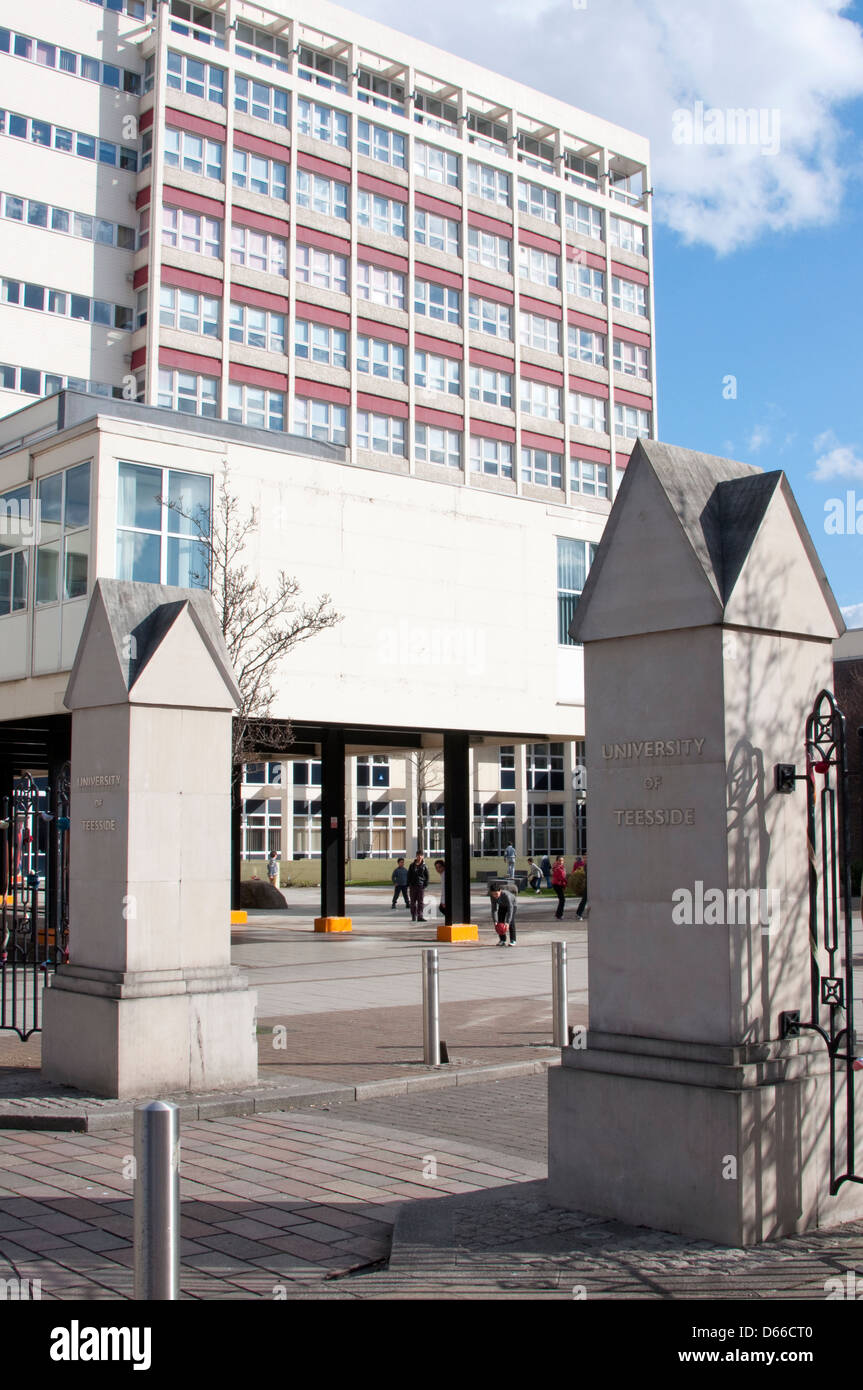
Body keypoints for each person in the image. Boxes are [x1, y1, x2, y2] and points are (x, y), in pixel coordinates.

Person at [407, 851, 429, 922]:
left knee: (420, 902)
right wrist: (409, 884)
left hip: (420, 886)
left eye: (421, 855)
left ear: (423, 856)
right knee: (413, 902)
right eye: (418, 855)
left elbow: (427, 876)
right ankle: (413, 915)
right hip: (413, 886)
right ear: (416, 856)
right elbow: (409, 875)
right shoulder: (412, 865)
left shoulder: (424, 866)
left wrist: (425, 884)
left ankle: (420, 916)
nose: (419, 857)